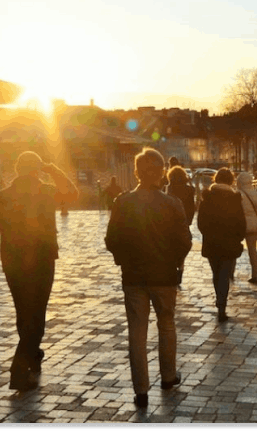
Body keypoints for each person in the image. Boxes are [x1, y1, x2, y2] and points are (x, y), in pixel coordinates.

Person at [0, 151, 79, 391]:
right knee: (37, 316)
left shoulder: (3, 196)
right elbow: (73, 193)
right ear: (37, 170)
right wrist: (52, 169)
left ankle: (32, 354)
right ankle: (18, 370)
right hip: (41, 259)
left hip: (12, 261)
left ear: (17, 169)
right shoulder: (45, 191)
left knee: (24, 312)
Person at [105, 147, 192, 408]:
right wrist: (176, 262)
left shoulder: (123, 202)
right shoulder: (172, 203)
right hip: (164, 274)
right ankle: (167, 377)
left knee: (137, 332)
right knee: (166, 325)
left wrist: (123, 259)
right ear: (161, 173)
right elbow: (185, 241)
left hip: (133, 276)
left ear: (136, 172)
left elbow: (112, 240)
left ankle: (140, 390)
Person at [197, 168, 247, 323]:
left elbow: (201, 222)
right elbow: (241, 222)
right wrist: (238, 238)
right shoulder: (234, 198)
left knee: (216, 272)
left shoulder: (207, 197)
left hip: (212, 242)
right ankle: (221, 306)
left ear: (216, 179)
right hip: (229, 242)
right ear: (231, 180)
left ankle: (220, 301)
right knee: (224, 274)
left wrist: (208, 233)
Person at [166, 166, 197, 289]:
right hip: (184, 222)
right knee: (184, 245)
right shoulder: (190, 190)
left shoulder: (169, 188)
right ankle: (181, 268)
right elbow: (192, 208)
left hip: (170, 223)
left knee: (172, 247)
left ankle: (174, 268)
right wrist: (188, 221)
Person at [235, 171, 257, 284]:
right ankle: (255, 275)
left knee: (234, 248)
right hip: (253, 224)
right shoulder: (256, 193)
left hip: (240, 225)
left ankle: (231, 272)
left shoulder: (238, 194)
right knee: (253, 251)